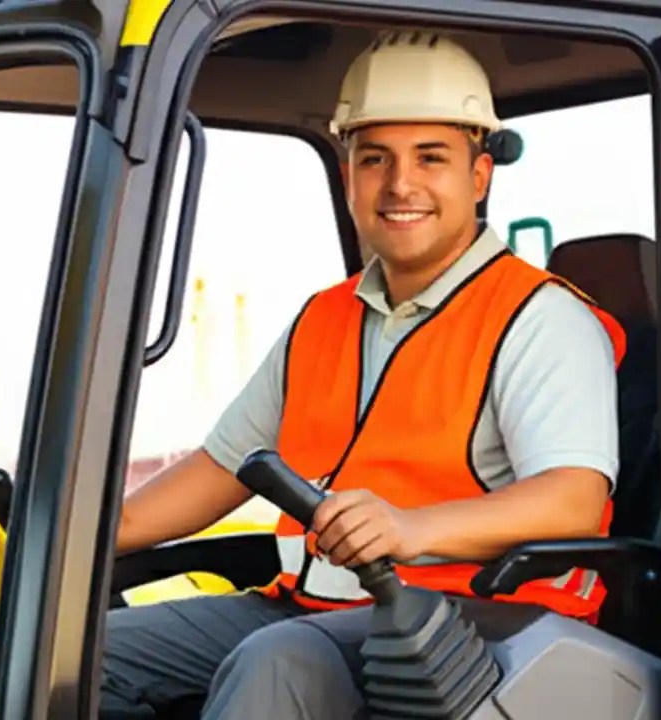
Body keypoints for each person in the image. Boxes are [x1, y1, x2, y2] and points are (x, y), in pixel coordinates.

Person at [101, 30, 627, 719]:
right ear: (348, 174)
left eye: (429, 158)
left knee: (279, 664)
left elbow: (572, 502)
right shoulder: (323, 318)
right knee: (69, 652)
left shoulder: (541, 320)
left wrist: (410, 528)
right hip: (316, 609)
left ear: (478, 176)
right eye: (375, 158)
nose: (400, 184)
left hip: (471, 629)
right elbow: (221, 468)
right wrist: (87, 526)